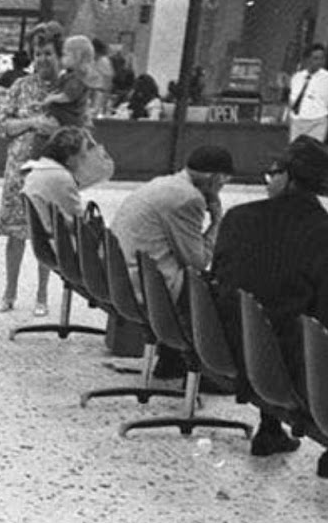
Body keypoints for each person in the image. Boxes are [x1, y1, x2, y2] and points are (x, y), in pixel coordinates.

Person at [211, 135, 328, 466]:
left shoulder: (238, 218)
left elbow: (220, 277)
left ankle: (271, 426)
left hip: (227, 348)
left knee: (274, 312)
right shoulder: (322, 232)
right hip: (294, 367)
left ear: (288, 177)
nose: (266, 180)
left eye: (271, 173)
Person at [111, 144, 233, 378]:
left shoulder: (164, 183)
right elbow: (197, 262)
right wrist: (217, 222)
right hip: (147, 287)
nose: (220, 189)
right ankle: (209, 372)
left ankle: (172, 362)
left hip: (122, 277)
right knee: (220, 292)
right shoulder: (188, 199)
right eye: (222, 183)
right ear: (215, 177)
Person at [0, 19, 64, 315]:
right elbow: (1, 125)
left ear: (58, 55)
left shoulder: (65, 90)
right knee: (14, 234)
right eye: (37, 54)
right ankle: (8, 294)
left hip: (50, 173)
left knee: (45, 234)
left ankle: (42, 296)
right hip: (17, 171)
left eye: (48, 53)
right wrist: (31, 123)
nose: (42, 59)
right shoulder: (20, 86)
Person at [21, 127, 86, 228]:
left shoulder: (34, 173)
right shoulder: (61, 177)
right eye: (82, 156)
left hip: (45, 237)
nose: (84, 162)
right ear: (69, 157)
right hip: (65, 240)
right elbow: (78, 221)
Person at [40, 34, 95, 128]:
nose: (62, 58)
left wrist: (50, 99)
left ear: (77, 57)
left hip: (68, 119)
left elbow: (67, 96)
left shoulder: (77, 78)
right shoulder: (68, 75)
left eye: (65, 55)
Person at [287, 41, 328, 143]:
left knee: (312, 151)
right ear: (308, 59)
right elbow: (293, 99)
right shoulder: (297, 77)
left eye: (322, 58)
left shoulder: (326, 78)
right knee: (295, 151)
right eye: (315, 58)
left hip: (317, 121)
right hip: (298, 121)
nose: (319, 62)